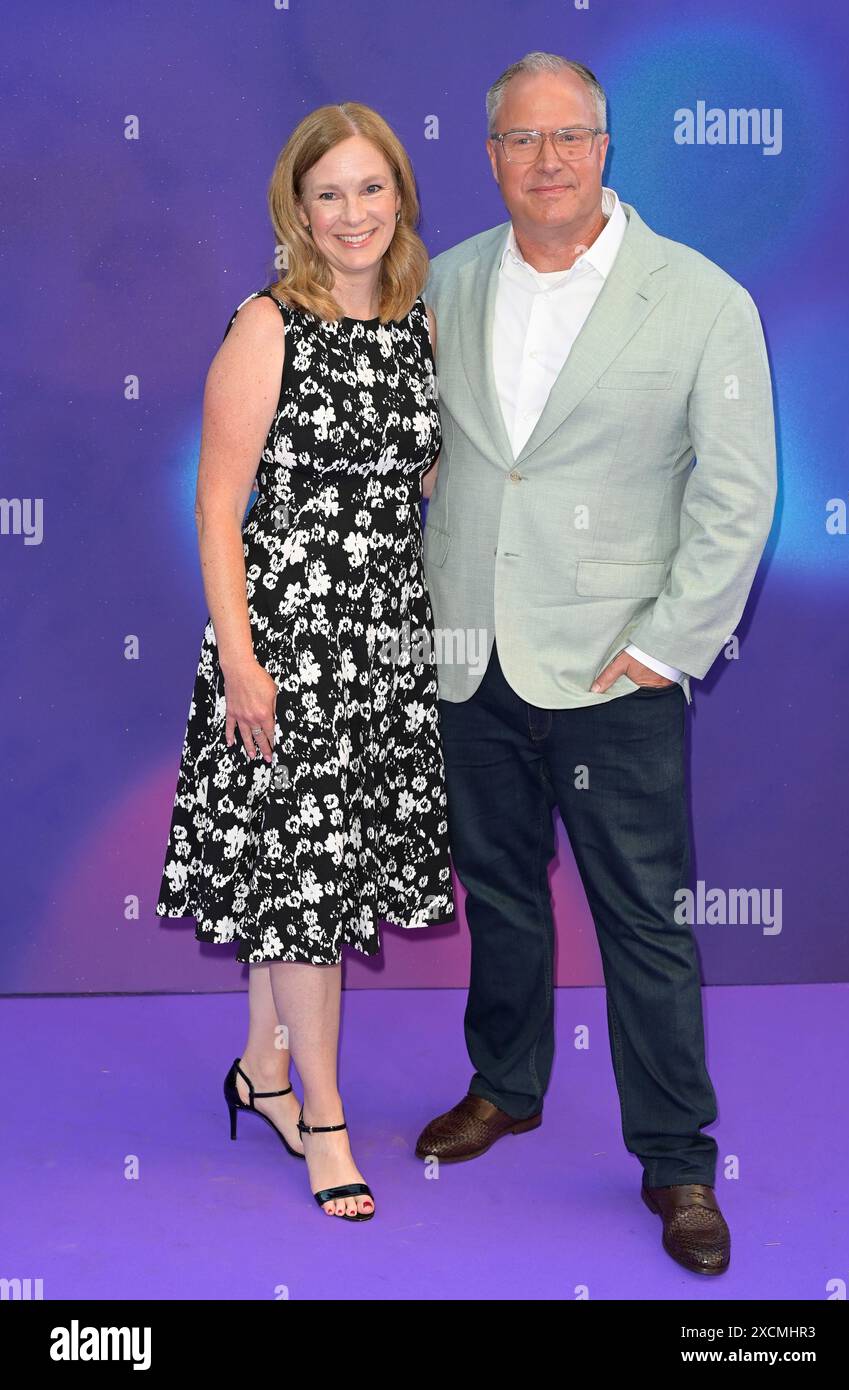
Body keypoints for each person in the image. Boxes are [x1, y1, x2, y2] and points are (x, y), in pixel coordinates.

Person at [415, 52, 777, 1274]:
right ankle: (503, 1086)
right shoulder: (444, 282)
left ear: (606, 147)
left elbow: (737, 496)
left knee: (644, 921)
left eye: (570, 136)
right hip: (473, 658)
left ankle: (675, 1159)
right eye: (522, 140)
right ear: (491, 157)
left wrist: (666, 646)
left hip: (616, 670)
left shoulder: (699, 298)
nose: (548, 159)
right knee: (500, 893)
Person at [156, 101, 454, 1222]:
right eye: (327, 193)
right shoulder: (268, 324)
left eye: (370, 189)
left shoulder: (419, 325)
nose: (351, 213)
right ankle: (324, 1119)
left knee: (297, 883)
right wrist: (240, 657)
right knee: (310, 897)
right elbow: (215, 510)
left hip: (379, 649)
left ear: (399, 199)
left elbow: (413, 486)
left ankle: (262, 1072)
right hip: (281, 649)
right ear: (297, 208)